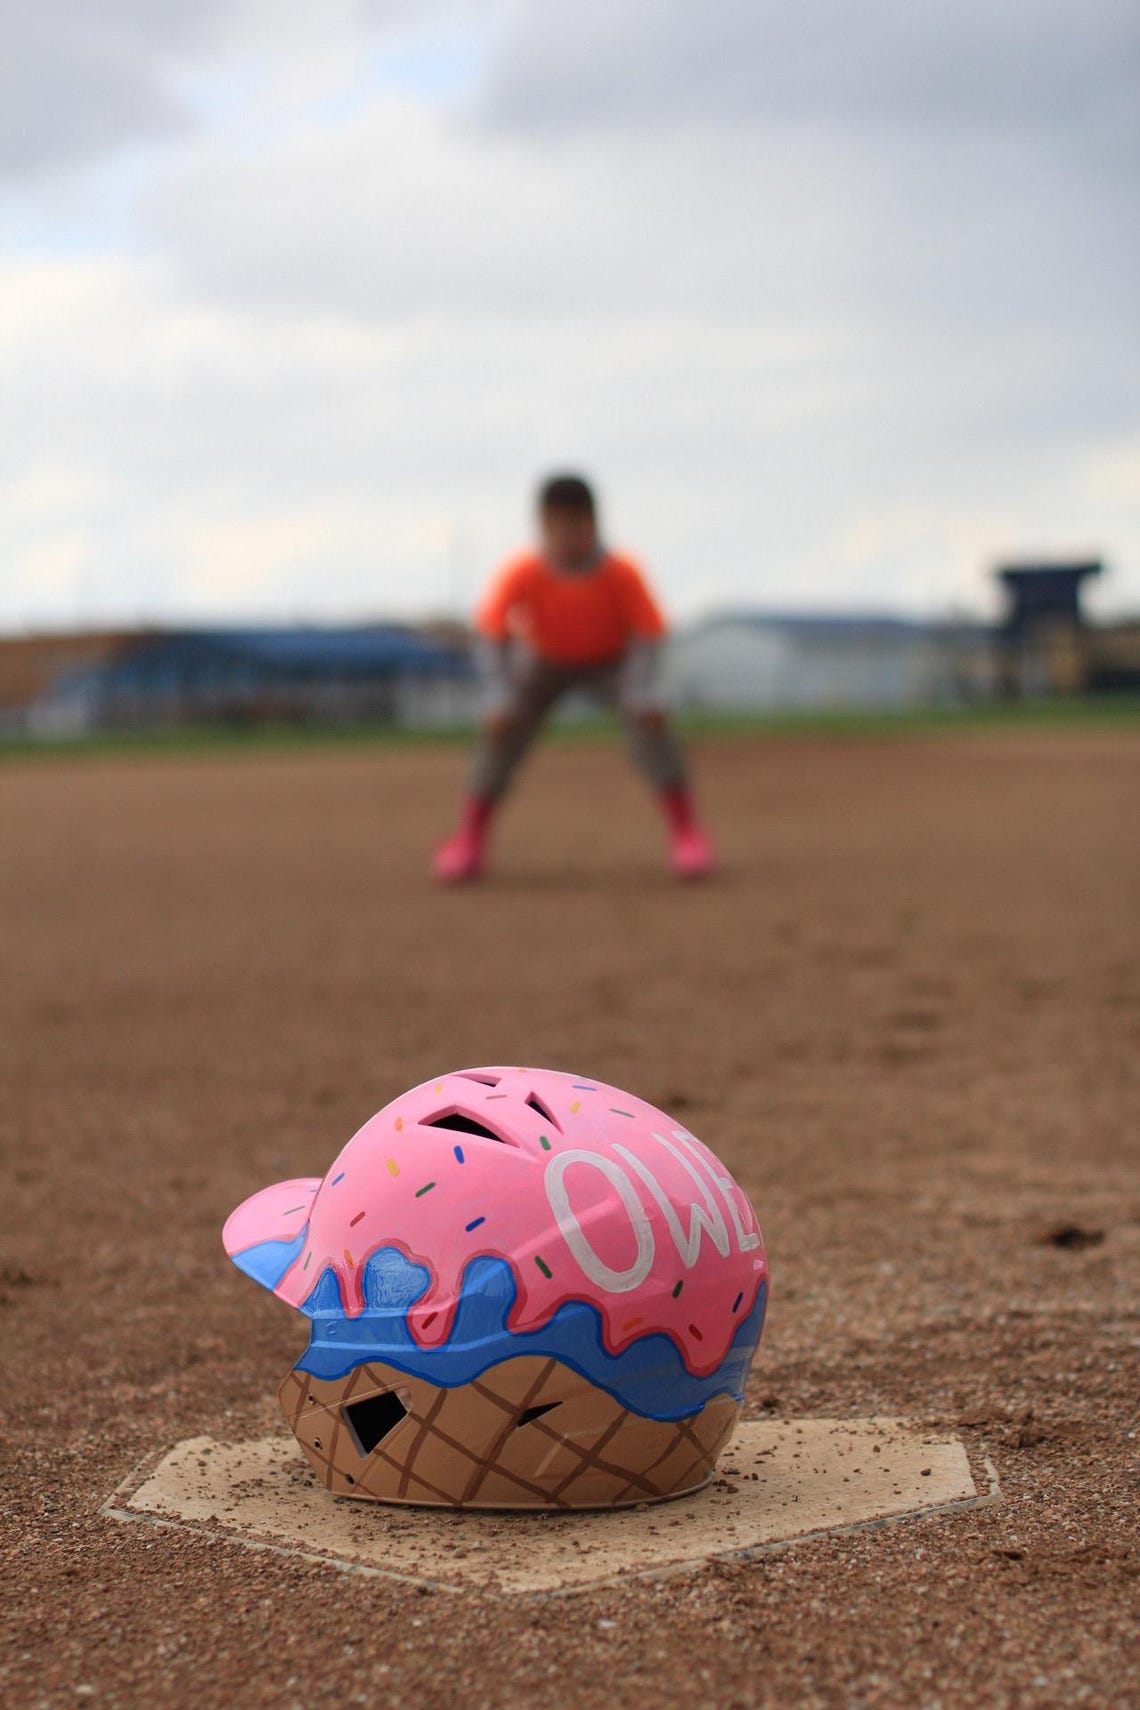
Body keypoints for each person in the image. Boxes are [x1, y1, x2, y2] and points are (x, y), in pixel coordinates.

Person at [432, 473, 716, 881]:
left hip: (612, 662)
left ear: (594, 524)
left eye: (575, 526)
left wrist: (643, 695)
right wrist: (501, 698)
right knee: (500, 731)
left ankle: (687, 835)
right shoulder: (523, 572)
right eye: (556, 526)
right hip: (544, 662)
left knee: (650, 724)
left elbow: (647, 638)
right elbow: (492, 637)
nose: (566, 537)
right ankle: (469, 840)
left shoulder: (621, 573)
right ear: (542, 526)